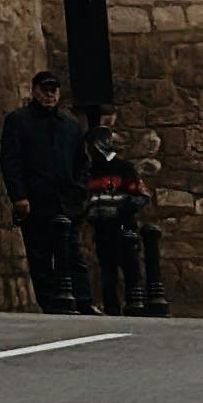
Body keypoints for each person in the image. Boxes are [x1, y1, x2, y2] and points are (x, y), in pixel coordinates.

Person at [0, 69, 93, 312]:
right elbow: (11, 161)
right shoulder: (19, 121)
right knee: (40, 255)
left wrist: (78, 189)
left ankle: (83, 300)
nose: (49, 95)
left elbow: (82, 161)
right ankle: (50, 302)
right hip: (37, 198)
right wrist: (19, 196)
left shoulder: (69, 126)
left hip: (65, 199)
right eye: (45, 90)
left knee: (72, 253)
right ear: (35, 91)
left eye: (53, 91)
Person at [83, 109, 145, 316]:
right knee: (107, 272)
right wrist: (91, 214)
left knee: (130, 270)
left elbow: (141, 195)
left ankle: (135, 306)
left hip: (123, 228)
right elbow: (89, 198)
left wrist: (123, 210)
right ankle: (112, 310)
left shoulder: (123, 168)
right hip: (102, 230)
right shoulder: (91, 172)